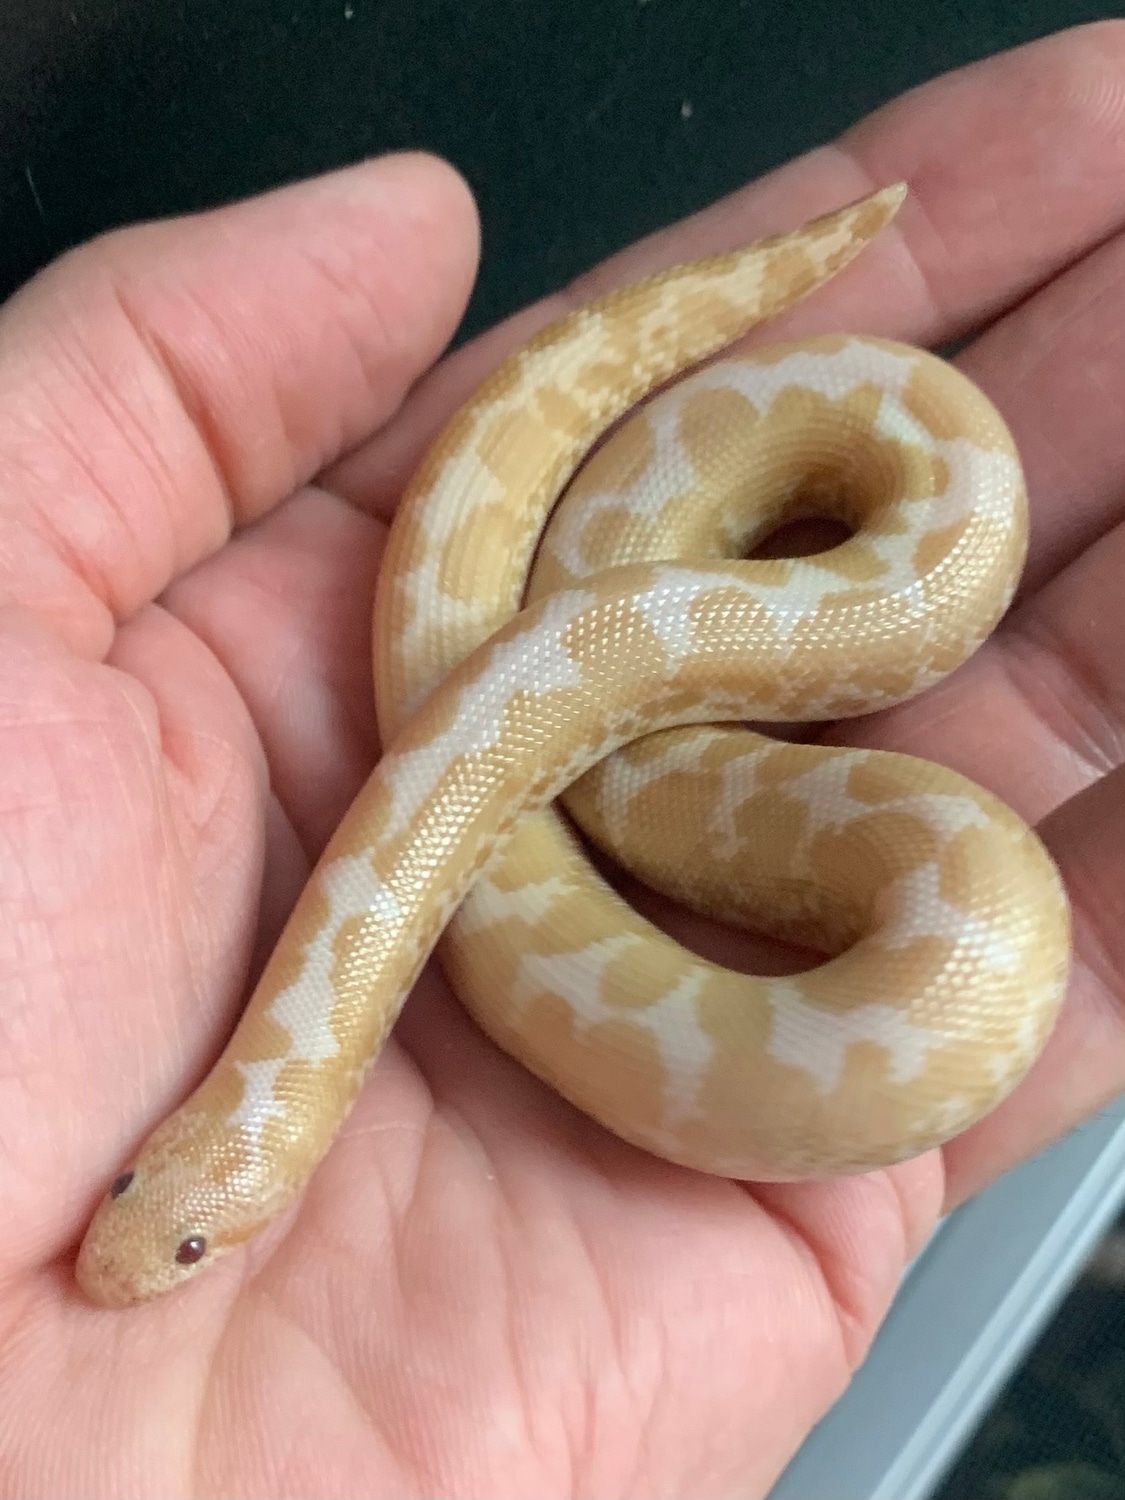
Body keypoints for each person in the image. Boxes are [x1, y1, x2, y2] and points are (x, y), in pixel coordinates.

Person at [1, 20, 1124, 1497]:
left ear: (172, 1137)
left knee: (551, 721)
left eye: (168, 1204)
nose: (147, 1237)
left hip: (711, 623)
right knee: (559, 732)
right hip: (615, 714)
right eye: (183, 1227)